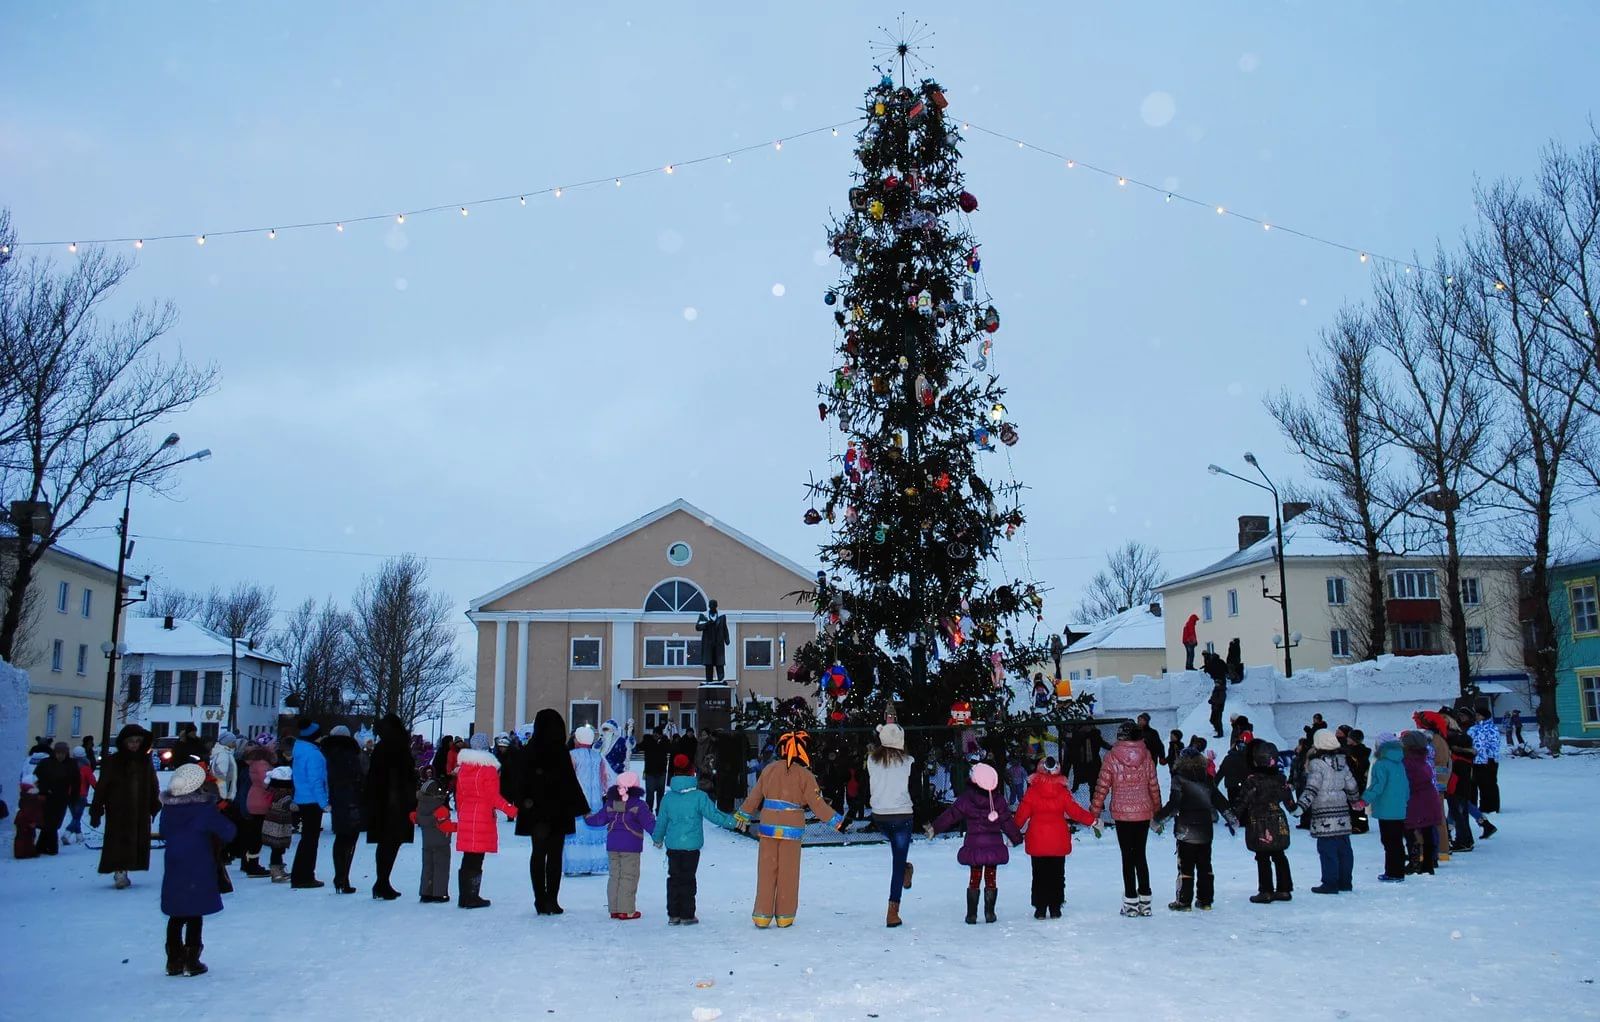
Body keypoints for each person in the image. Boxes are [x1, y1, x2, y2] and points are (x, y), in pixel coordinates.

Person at [735, 729, 842, 929]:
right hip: (791, 830)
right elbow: (817, 804)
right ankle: (785, 915)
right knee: (788, 873)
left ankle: (762, 914)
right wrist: (837, 821)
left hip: (767, 827)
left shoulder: (768, 770)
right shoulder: (806, 776)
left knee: (766, 871)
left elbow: (755, 796)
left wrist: (743, 814)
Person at [159, 763, 237, 977]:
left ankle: (173, 960)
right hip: (198, 861)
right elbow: (228, 831)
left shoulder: (169, 808)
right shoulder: (203, 809)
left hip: (174, 862)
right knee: (195, 911)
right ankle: (192, 960)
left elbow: (164, 831)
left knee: (176, 912)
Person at [514, 708, 592, 915]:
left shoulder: (529, 751)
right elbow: (570, 783)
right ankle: (552, 899)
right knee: (555, 856)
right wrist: (582, 807)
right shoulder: (560, 752)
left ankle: (541, 899)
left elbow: (518, 782)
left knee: (539, 854)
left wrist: (522, 803)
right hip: (558, 811)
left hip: (536, 812)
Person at [927, 762, 1023, 924]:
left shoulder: (967, 799)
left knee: (975, 877)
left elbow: (951, 815)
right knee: (991, 878)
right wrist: (1017, 838)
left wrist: (935, 828)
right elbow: (1007, 822)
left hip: (974, 845)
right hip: (994, 846)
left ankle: (971, 914)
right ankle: (989, 913)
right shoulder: (998, 800)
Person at [652, 753, 737, 925]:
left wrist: (658, 837)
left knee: (674, 877)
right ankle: (687, 914)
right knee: (688, 878)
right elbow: (713, 815)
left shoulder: (668, 798)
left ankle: (673, 913)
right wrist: (733, 822)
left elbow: (661, 821)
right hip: (691, 846)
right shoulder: (699, 797)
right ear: (692, 773)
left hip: (674, 845)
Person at [1091, 722, 1162, 918]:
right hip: (1143, 811)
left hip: (1122, 814)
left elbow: (1102, 786)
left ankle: (1130, 901)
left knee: (1127, 857)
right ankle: (1145, 901)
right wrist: (1157, 812)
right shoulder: (1146, 755)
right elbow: (1153, 786)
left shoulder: (1111, 756)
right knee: (1141, 855)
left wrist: (1094, 813)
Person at [1013, 756, 1098, 919]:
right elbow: (1075, 811)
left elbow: (1021, 815)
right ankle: (1055, 906)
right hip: (1058, 839)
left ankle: (1040, 907)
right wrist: (1092, 820)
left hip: (1037, 839)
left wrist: (1011, 831)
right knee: (1057, 874)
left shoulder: (1032, 791)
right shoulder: (1062, 791)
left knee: (1039, 874)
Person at [1153, 749, 1238, 911]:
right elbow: (1220, 800)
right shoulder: (1207, 779)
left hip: (1186, 829)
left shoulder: (1178, 779)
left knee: (1185, 866)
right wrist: (1232, 817)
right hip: (1205, 830)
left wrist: (1157, 820)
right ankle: (1205, 900)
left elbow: (1174, 805)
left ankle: (1184, 902)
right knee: (1205, 865)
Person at [91, 724, 161, 889]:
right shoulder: (113, 762)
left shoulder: (145, 761)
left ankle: (126, 868)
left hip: (140, 808)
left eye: (137, 741)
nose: (134, 745)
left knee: (135, 840)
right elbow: (102, 787)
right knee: (118, 840)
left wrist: (154, 802)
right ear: (123, 742)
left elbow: (153, 783)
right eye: (131, 741)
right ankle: (120, 871)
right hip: (118, 808)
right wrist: (96, 809)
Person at [453, 732, 517, 909]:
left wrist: (461, 813)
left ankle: (464, 896)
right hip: (481, 815)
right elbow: (493, 797)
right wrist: (512, 810)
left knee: (468, 857)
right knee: (477, 857)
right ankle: (472, 896)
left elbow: (459, 795)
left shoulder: (464, 767)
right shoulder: (488, 769)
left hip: (467, 814)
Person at [864, 723, 916, 928]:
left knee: (898, 857)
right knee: (898, 860)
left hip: (880, 816)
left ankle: (904, 869)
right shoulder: (908, 762)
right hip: (902, 816)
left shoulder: (871, 760)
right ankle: (892, 911)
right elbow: (914, 789)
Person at [585, 769, 655, 920]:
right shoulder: (639, 805)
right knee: (628, 877)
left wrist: (587, 816)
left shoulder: (610, 803)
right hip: (631, 847)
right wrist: (660, 835)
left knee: (615, 876)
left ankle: (614, 909)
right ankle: (626, 910)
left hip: (612, 846)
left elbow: (598, 820)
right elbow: (650, 824)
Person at [363, 713, 418, 901]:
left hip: (382, 803)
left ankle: (382, 881)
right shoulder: (397, 748)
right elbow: (400, 777)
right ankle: (382, 882)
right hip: (395, 804)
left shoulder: (382, 747)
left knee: (385, 844)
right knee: (391, 843)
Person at [1300, 729, 1359, 894]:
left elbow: (1312, 787)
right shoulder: (1342, 762)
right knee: (1344, 849)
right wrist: (1354, 800)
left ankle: (1330, 883)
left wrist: (1301, 806)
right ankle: (1345, 882)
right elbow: (1351, 785)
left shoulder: (1316, 764)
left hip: (1324, 812)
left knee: (1327, 849)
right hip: (1341, 810)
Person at [1238, 739, 1295, 904]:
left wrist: (1233, 815)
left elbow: (1243, 801)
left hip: (1259, 820)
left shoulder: (1252, 780)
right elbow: (1290, 803)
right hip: (1278, 819)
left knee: (1262, 856)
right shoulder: (1280, 779)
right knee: (1279, 855)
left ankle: (1266, 890)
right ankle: (1284, 889)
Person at [321, 725, 364, 895]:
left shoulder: (327, 753)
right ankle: (343, 876)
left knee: (340, 838)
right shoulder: (352, 754)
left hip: (337, 799)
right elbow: (360, 775)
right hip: (352, 798)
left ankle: (340, 876)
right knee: (350, 839)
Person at [1362, 732, 1411, 883]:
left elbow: (1378, 785)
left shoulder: (1381, 764)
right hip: (1399, 807)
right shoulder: (1400, 763)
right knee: (1396, 841)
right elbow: (1406, 786)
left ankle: (1392, 872)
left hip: (1385, 808)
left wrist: (1365, 799)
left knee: (1389, 842)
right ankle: (1398, 871)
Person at [566, 724, 610, 876]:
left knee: (578, 833)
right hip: (595, 801)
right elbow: (605, 779)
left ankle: (575, 865)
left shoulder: (571, 755)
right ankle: (593, 863)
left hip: (577, 801)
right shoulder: (598, 756)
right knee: (592, 832)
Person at [289, 719, 328, 889]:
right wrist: (324, 802)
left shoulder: (300, 750)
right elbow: (316, 781)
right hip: (312, 800)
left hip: (303, 797)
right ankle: (304, 875)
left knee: (307, 839)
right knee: (310, 840)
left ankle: (300, 874)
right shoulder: (313, 754)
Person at [412, 769, 457, 903]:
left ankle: (426, 892)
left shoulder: (421, 808)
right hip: (441, 842)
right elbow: (446, 826)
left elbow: (415, 818)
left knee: (427, 866)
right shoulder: (440, 809)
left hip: (427, 842)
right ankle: (439, 893)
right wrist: (458, 827)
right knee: (441, 867)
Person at [1401, 730, 1442, 875]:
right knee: (1427, 830)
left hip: (1416, 798)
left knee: (1409, 830)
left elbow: (1408, 781)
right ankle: (1429, 863)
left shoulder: (1407, 761)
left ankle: (1415, 861)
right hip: (1429, 796)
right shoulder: (1424, 756)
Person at [32, 742, 79, 855]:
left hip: (62, 798)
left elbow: (76, 782)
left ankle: (42, 847)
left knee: (55, 823)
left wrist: (74, 797)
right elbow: (36, 778)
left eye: (63, 753)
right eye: (58, 753)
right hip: (47, 797)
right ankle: (51, 848)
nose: (60, 756)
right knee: (48, 823)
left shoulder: (71, 764)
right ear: (55, 753)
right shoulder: (46, 763)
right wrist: (43, 789)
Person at [261, 767, 296, 882]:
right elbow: (291, 806)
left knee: (278, 849)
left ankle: (279, 868)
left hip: (274, 825)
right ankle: (276, 871)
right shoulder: (282, 796)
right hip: (278, 826)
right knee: (277, 849)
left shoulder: (273, 792)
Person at [1469, 707, 1503, 816]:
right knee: (1478, 784)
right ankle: (1481, 805)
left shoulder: (1492, 728)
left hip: (1489, 761)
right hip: (1476, 761)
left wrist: (1490, 758)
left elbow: (1494, 744)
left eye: (1479, 715)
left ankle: (1491, 806)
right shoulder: (1474, 728)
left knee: (1489, 784)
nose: (1477, 717)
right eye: (1476, 715)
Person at [1067, 724, 1108, 798]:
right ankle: (1075, 788)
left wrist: (1113, 748)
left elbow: (1103, 744)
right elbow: (1069, 741)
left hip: (1094, 763)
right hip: (1082, 763)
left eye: (1090, 726)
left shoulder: (1095, 735)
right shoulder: (1078, 735)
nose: (1087, 727)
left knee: (1094, 784)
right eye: (1086, 726)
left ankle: (1097, 803)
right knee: (1078, 776)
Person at [695, 599, 731, 684]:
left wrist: (727, 639)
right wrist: (707, 624)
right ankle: (709, 680)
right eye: (711, 606)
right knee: (709, 663)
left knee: (720, 663)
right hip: (708, 644)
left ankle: (721, 679)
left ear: (716, 606)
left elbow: (725, 628)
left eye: (714, 606)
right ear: (709, 606)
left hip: (718, 643)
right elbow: (697, 627)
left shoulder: (722, 616)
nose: (712, 607)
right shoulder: (703, 616)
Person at [65, 745, 96, 843]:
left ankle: (79, 836)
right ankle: (67, 833)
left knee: (75, 816)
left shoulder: (68, 766)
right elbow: (93, 782)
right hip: (81, 795)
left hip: (69, 795)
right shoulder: (86, 768)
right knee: (77, 817)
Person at [639, 725, 671, 814]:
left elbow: (670, 749)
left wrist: (666, 740)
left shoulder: (664, 742)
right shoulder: (648, 741)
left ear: (661, 735)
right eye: (654, 733)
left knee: (660, 793)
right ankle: (648, 811)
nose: (656, 735)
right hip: (650, 772)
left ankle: (659, 811)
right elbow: (638, 747)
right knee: (650, 794)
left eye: (658, 734)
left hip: (661, 771)